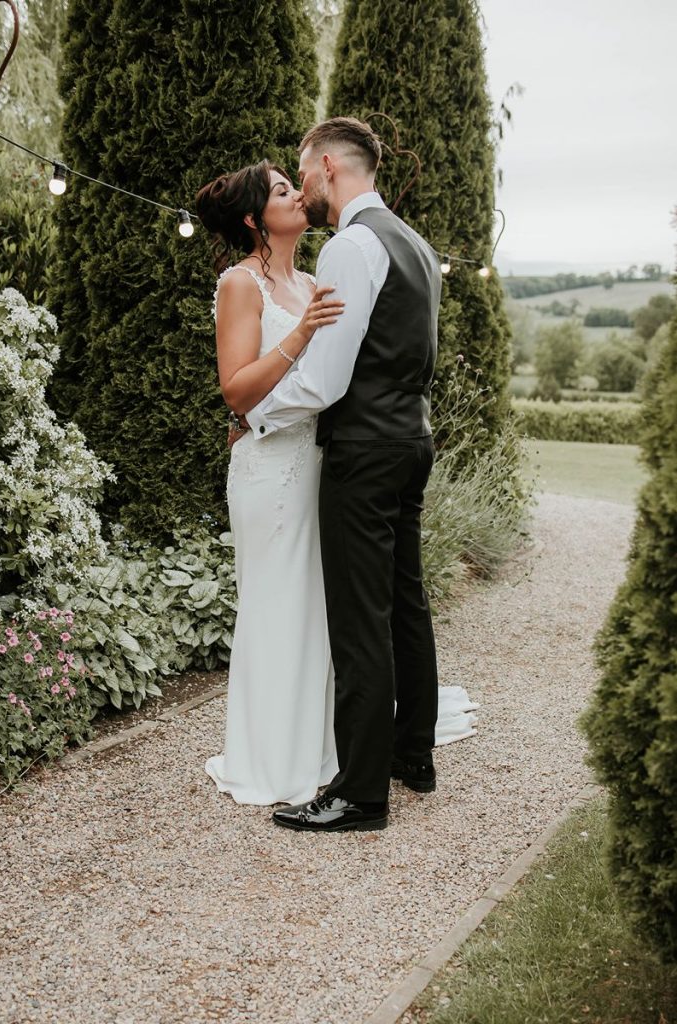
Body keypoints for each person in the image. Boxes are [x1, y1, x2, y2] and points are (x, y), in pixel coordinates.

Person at [243, 118, 442, 833]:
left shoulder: (350, 248)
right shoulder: (411, 243)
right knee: (405, 603)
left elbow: (326, 379)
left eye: (302, 174)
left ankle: (360, 793)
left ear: (327, 166)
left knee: (360, 620)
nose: (301, 189)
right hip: (410, 439)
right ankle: (411, 754)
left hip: (361, 449)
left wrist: (260, 412)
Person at [196, 159, 344, 805]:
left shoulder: (312, 279)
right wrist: (303, 334)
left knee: (311, 607)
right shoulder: (239, 283)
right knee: (274, 604)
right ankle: (266, 757)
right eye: (283, 190)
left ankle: (312, 749)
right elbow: (236, 388)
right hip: (266, 472)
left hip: (314, 463)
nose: (298, 195)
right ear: (256, 218)